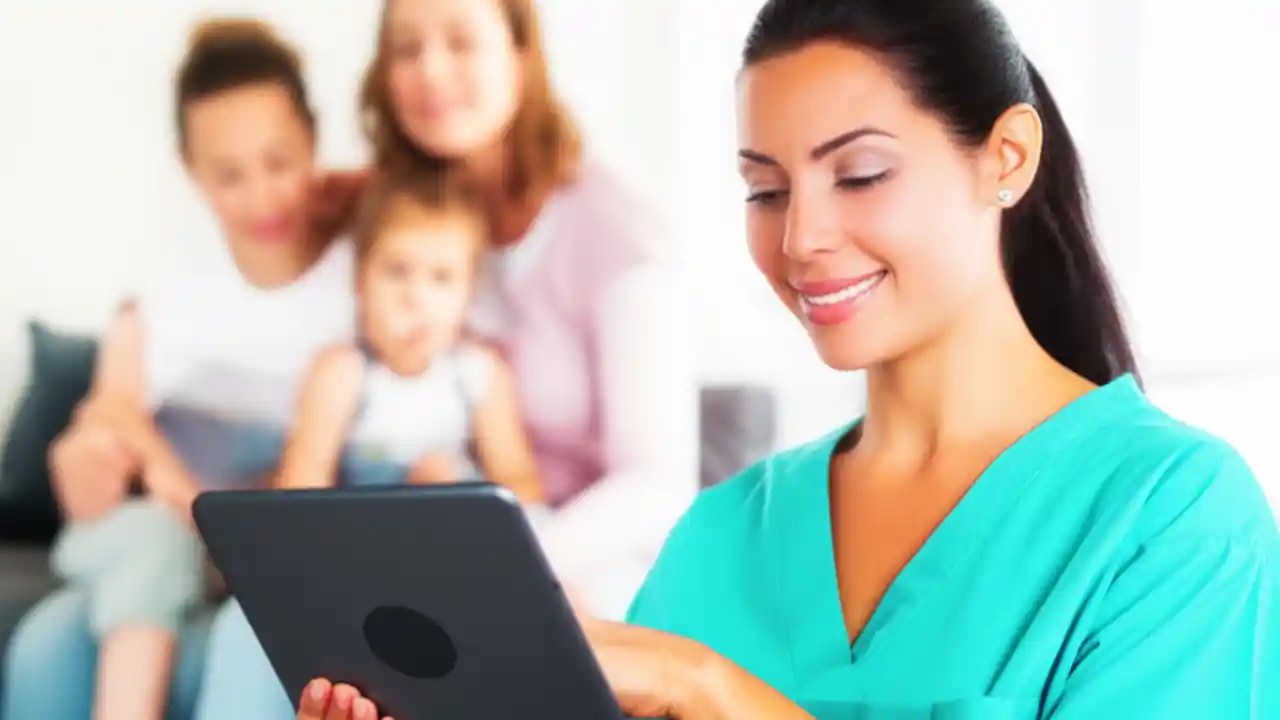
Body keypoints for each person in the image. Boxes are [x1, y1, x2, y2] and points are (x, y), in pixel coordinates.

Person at [292, 0, 1279, 718]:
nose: (801, 236)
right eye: (764, 190)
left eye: (858, 174)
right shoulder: (720, 537)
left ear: (1004, 159)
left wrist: (713, 692)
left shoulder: (1171, 516)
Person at [192, 0, 695, 716]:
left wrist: (503, 568)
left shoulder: (620, 235)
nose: (429, 70)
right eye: (405, 48)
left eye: (460, 40)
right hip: (417, 546)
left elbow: (655, 484)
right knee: (241, 639)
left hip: (577, 550)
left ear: (521, 52)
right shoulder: (400, 217)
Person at [0, 19, 354, 720]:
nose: (260, 196)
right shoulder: (167, 300)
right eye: (228, 175)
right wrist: (112, 457)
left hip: (290, 561)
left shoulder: (366, 274)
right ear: (191, 170)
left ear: (314, 140)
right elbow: (103, 435)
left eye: (279, 161)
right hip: (172, 551)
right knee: (51, 639)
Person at [278, 176, 542, 504]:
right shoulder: (341, 373)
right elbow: (299, 487)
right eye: (397, 271)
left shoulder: (480, 372)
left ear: (469, 296)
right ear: (360, 281)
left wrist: (460, 491)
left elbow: (522, 485)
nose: (416, 298)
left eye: (442, 278)